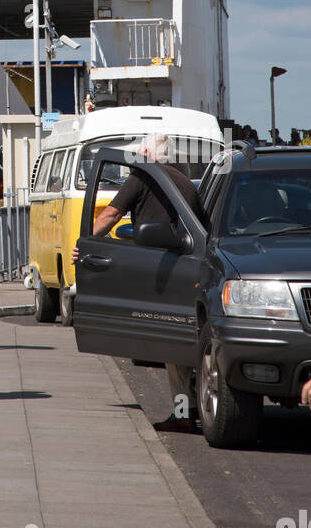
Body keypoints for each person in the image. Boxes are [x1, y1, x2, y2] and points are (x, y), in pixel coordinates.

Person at [73, 133, 210, 434]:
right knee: (187, 345)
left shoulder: (143, 176)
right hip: (188, 268)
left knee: (172, 349)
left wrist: (86, 243)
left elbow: (111, 215)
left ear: (147, 152)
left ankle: (183, 412)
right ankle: (197, 404)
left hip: (157, 269)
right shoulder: (185, 182)